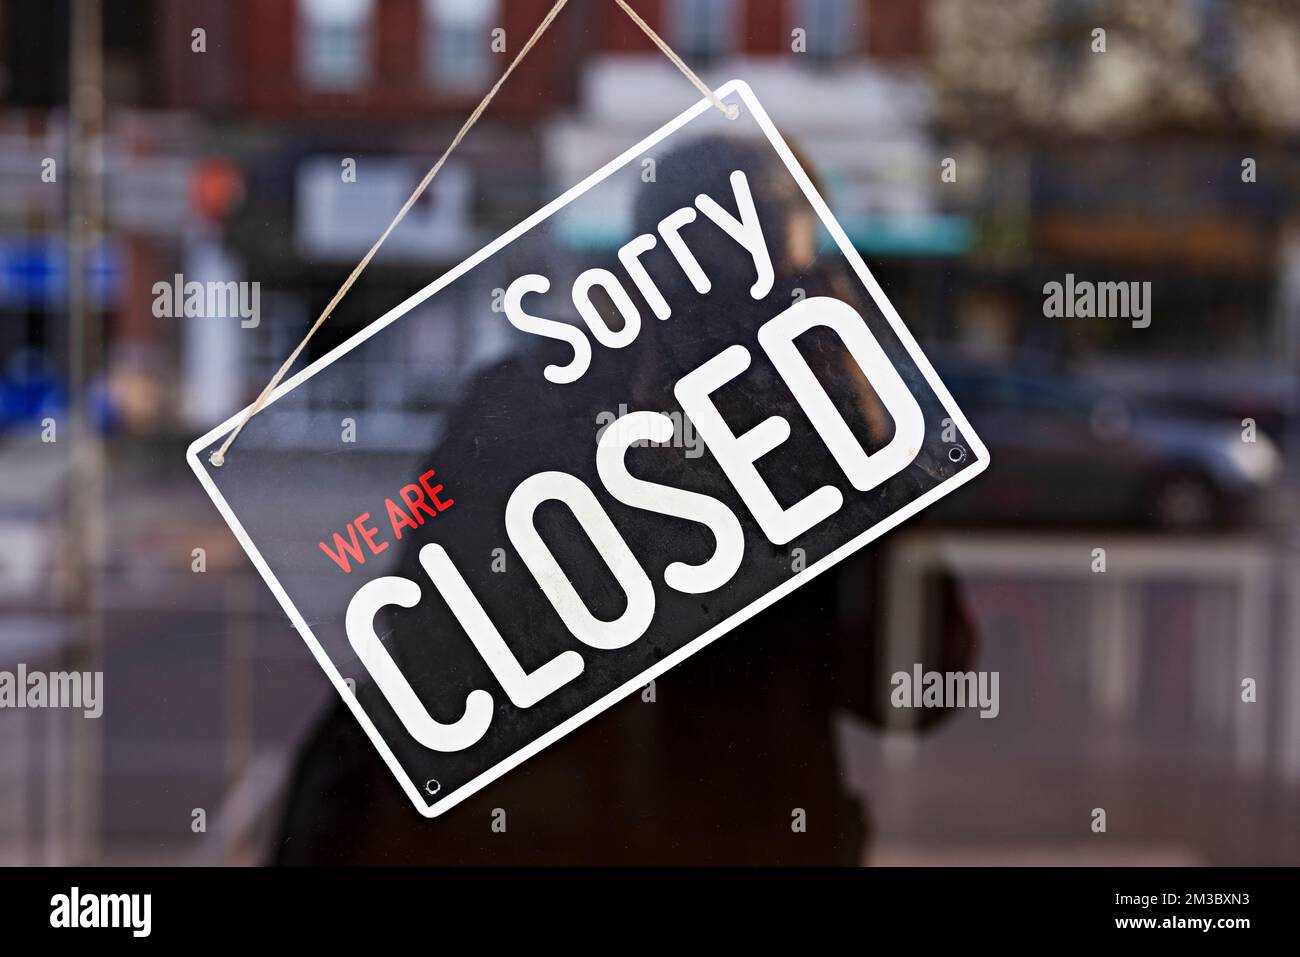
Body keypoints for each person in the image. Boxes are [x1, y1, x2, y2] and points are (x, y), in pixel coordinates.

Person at [272, 134, 976, 865]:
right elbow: (421, 652)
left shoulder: (820, 445)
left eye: (766, 281)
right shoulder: (523, 408)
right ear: (646, 270)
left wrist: (860, 423)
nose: (730, 312)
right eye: (710, 271)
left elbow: (920, 687)